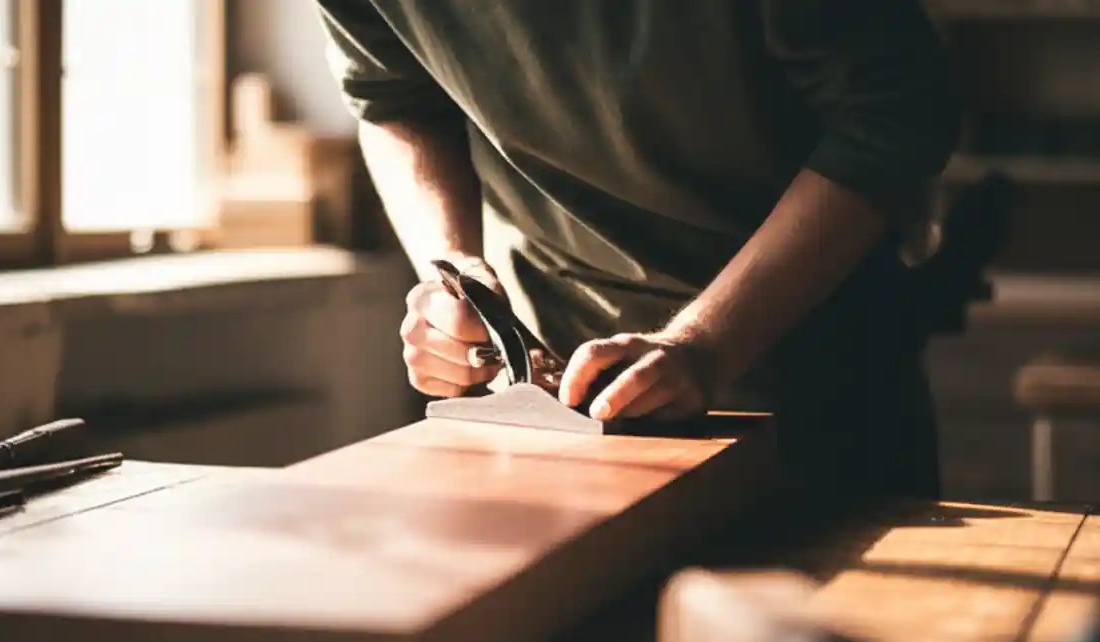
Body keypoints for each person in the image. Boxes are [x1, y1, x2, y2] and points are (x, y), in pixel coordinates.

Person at [315, 1, 959, 498]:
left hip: (810, 377)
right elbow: (393, 99)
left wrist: (706, 342)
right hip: (549, 380)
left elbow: (893, 117)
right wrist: (450, 272)